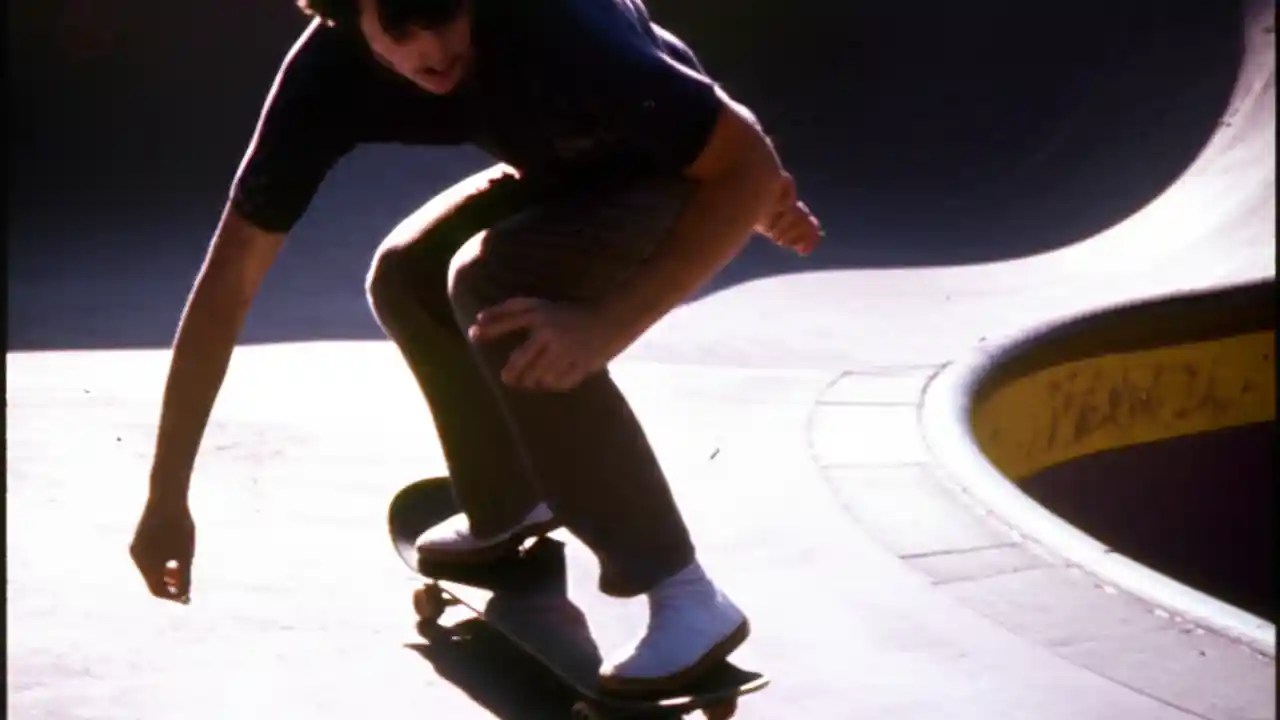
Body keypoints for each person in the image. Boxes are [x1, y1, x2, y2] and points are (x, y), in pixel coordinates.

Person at [128, 0, 822, 694]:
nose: (432, 50)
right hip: (566, 172)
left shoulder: (555, 25)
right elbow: (229, 280)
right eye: (402, 29)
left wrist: (607, 325)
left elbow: (737, 156)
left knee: (495, 286)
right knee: (408, 276)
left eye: (445, 15)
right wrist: (166, 496)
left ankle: (685, 593)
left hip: (663, 181)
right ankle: (507, 503)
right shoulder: (324, 77)